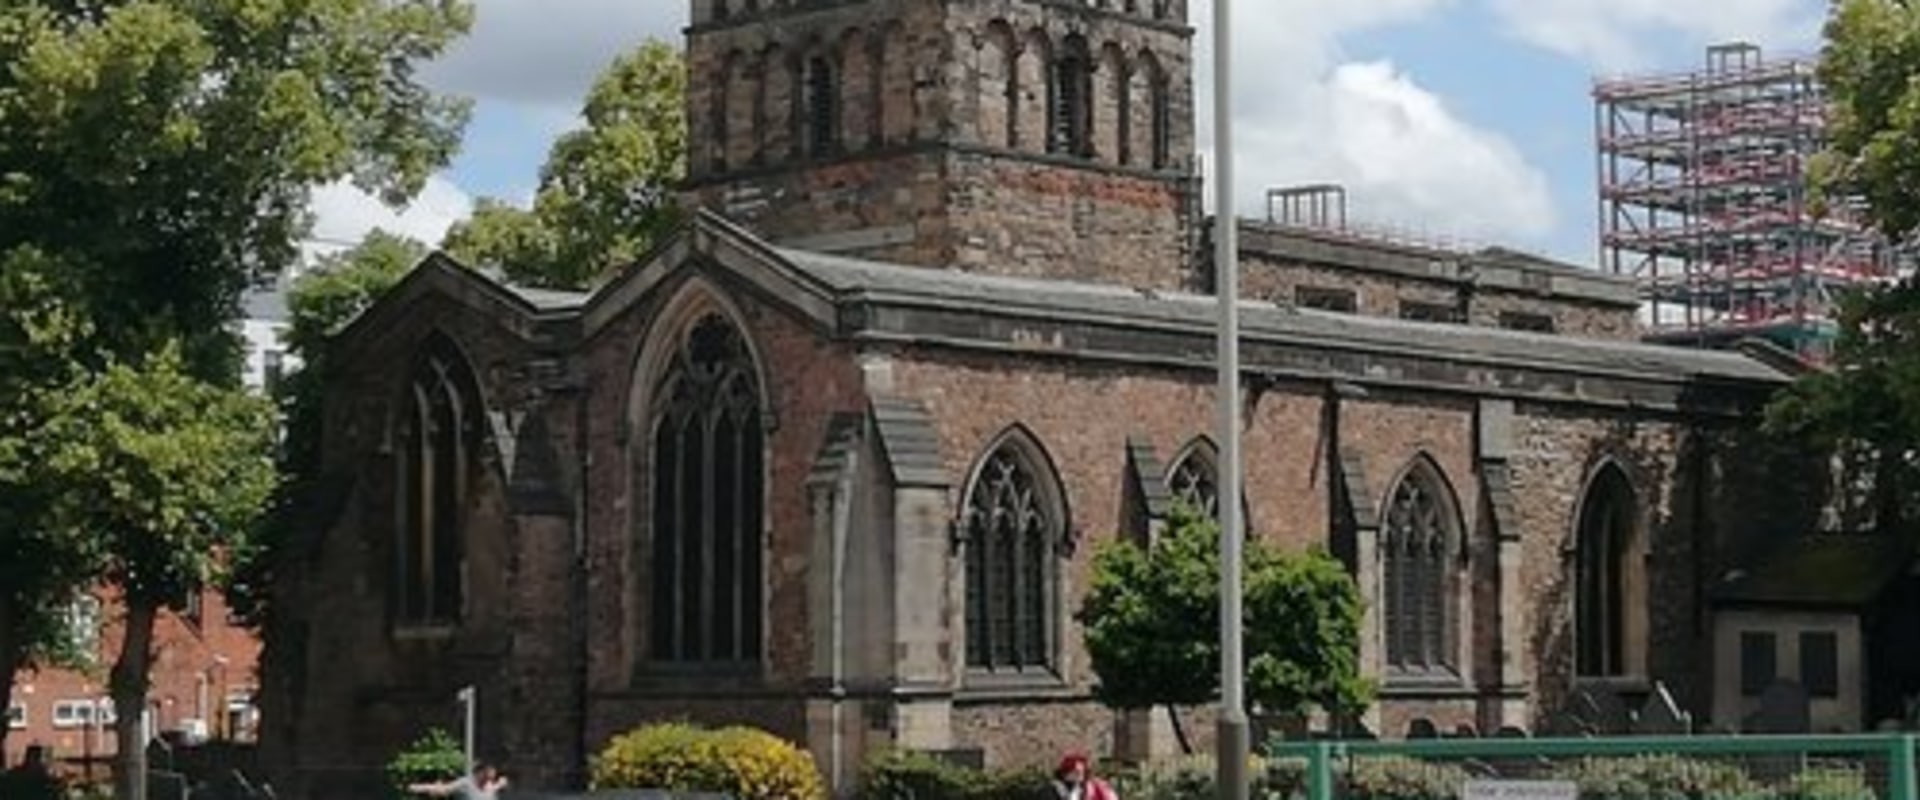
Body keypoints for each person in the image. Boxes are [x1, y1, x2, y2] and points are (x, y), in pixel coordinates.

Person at [407, 761, 509, 799]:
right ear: (480, 772)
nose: (489, 780)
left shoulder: (490, 785)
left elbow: (494, 788)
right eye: (487, 776)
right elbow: (444, 789)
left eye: (492, 777)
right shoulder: (465, 783)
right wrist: (420, 787)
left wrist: (500, 784)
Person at [1052, 753, 1118, 800]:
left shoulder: (1098, 787)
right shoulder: (1057, 788)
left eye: (1078, 773)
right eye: (1072, 772)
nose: (1075, 776)